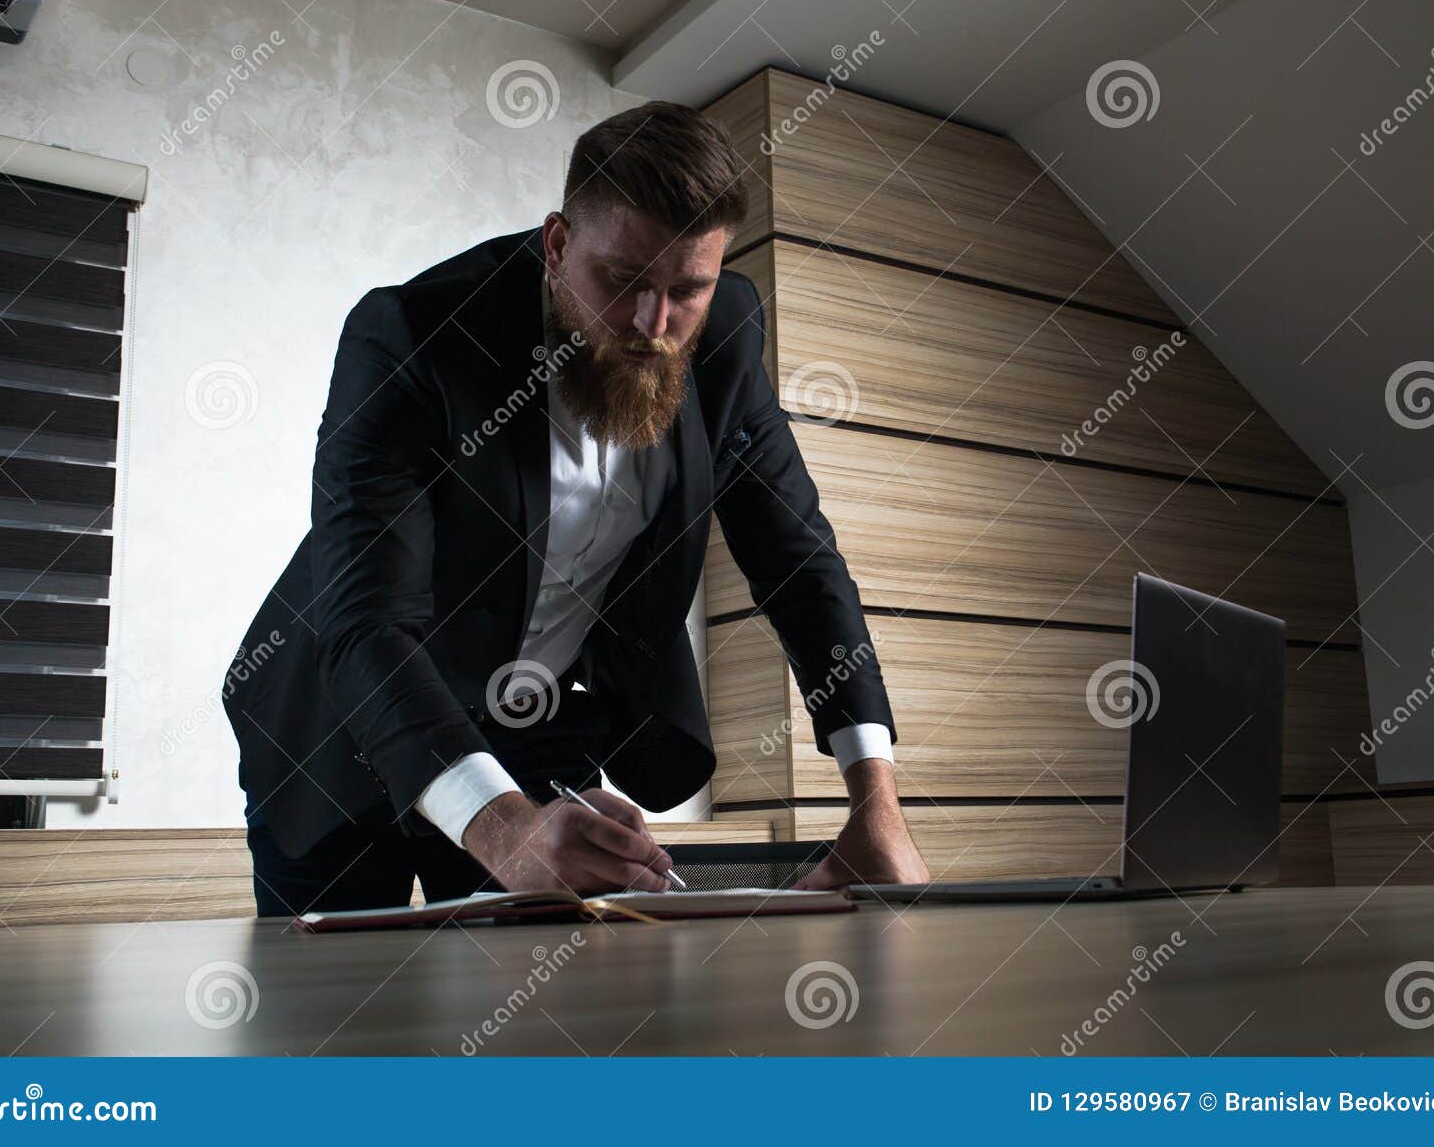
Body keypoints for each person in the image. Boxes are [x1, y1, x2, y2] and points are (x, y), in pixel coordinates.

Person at [222, 101, 929, 917]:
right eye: (622, 279)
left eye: (686, 290)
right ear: (558, 244)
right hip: (338, 737)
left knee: (551, 1014)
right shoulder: (414, 336)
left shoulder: (724, 335)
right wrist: (503, 830)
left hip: (532, 731)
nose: (651, 325)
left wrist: (873, 797)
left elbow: (799, 563)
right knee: (334, 1030)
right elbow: (370, 622)